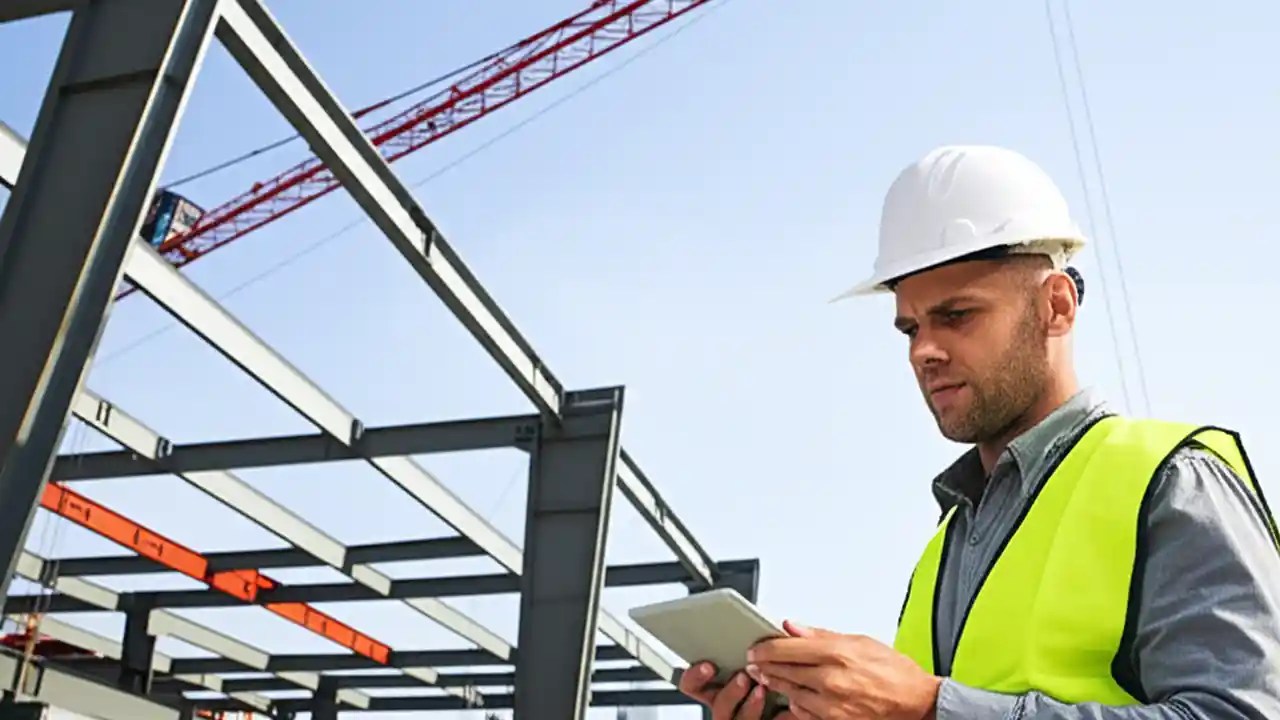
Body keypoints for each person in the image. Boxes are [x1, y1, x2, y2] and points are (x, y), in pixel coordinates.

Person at [677, 145, 1280, 719]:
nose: (924, 352)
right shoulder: (946, 545)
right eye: (910, 329)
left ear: (1057, 306)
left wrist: (929, 708)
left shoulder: (1171, 481)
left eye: (956, 316)